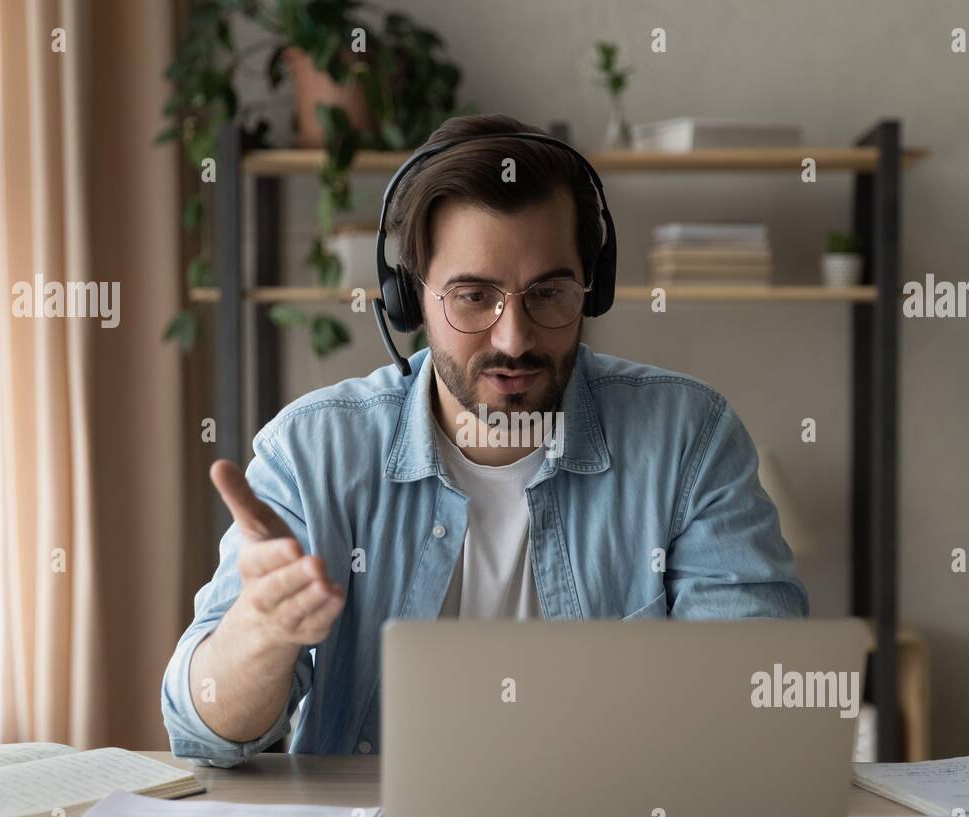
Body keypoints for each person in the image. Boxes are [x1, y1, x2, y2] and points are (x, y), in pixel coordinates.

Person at [161, 113, 808, 766]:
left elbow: (764, 708)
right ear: (410, 298)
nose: (514, 338)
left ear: (594, 287)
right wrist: (261, 633)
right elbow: (204, 733)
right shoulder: (311, 452)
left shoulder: (690, 438)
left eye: (548, 293)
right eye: (474, 296)